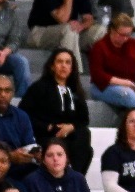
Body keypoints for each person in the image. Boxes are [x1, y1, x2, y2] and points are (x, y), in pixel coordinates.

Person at [22, 48, 95, 176]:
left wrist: (71, 127)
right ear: (52, 66)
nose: (64, 66)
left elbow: (84, 119)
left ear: (72, 67)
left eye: (68, 62)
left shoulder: (76, 90)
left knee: (84, 134)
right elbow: (24, 114)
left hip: (69, 135)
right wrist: (47, 127)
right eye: (60, 62)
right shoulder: (39, 87)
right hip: (46, 134)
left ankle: (75, 178)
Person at [87, 13, 135, 124]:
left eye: (128, 34)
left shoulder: (134, 44)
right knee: (125, 93)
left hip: (131, 86)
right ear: (112, 31)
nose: (125, 38)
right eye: (122, 34)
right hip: (103, 87)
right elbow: (97, 75)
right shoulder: (99, 47)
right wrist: (123, 82)